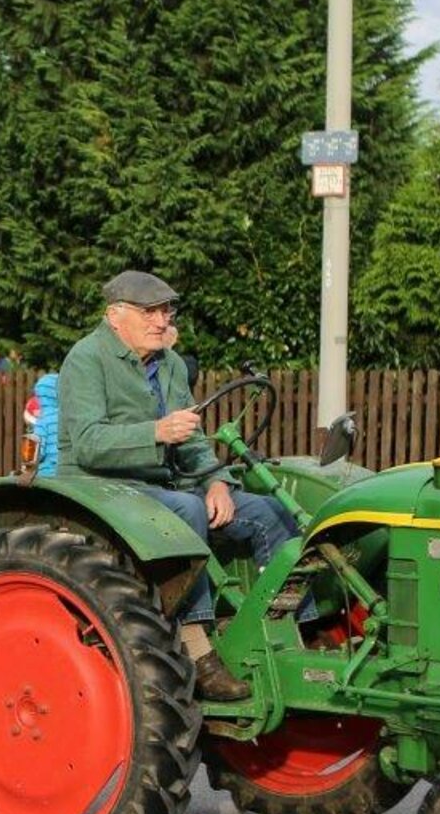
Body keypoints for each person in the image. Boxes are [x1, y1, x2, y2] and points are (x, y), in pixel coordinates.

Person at [57, 270, 299, 702]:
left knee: (269, 513)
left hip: (163, 485)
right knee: (184, 513)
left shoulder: (167, 363)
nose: (161, 320)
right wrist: (155, 432)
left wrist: (216, 482)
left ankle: (289, 635)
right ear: (115, 316)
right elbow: (89, 444)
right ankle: (199, 652)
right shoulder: (86, 358)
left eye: (165, 310)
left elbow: (193, 441)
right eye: (149, 311)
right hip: (103, 489)